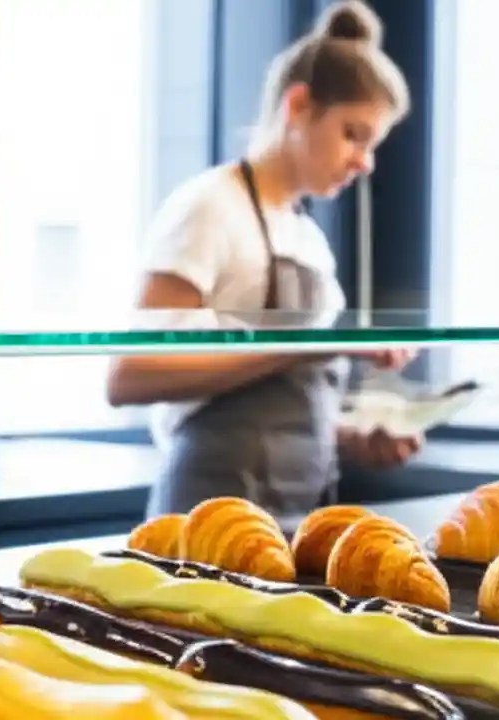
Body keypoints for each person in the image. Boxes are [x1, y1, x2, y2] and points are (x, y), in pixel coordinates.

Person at [106, 0, 421, 518]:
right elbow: (129, 374)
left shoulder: (308, 239)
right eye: (353, 135)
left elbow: (280, 402)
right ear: (298, 106)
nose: (364, 163)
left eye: (373, 145)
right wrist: (305, 343)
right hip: (208, 514)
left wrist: (348, 437)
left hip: (297, 515)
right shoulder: (209, 206)